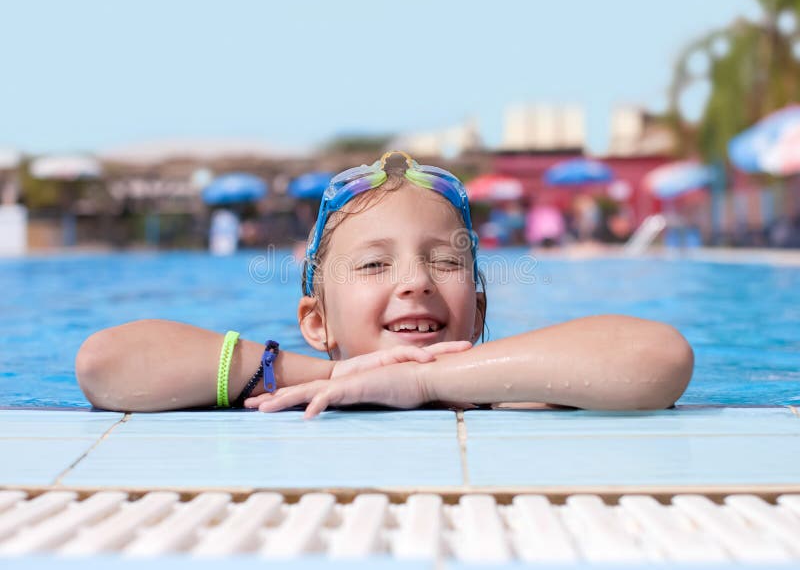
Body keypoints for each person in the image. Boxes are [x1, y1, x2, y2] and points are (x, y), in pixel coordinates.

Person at [75, 151, 694, 418]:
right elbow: (104, 364)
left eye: (446, 262)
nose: (416, 282)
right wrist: (327, 378)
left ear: (476, 312)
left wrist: (425, 379)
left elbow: (660, 358)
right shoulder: (280, 389)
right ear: (316, 323)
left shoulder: (509, 387)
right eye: (374, 266)